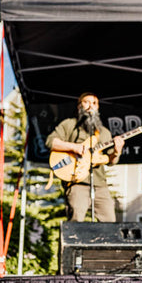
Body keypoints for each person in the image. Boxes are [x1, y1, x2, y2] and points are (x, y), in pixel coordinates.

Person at [46, 92, 125, 222]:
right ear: (79, 106)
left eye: (94, 103)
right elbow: (51, 142)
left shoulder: (104, 132)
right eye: (86, 102)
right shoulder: (69, 125)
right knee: (76, 220)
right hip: (77, 183)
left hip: (100, 184)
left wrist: (117, 151)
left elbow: (111, 161)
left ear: (98, 107)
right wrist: (74, 147)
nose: (90, 106)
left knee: (109, 221)